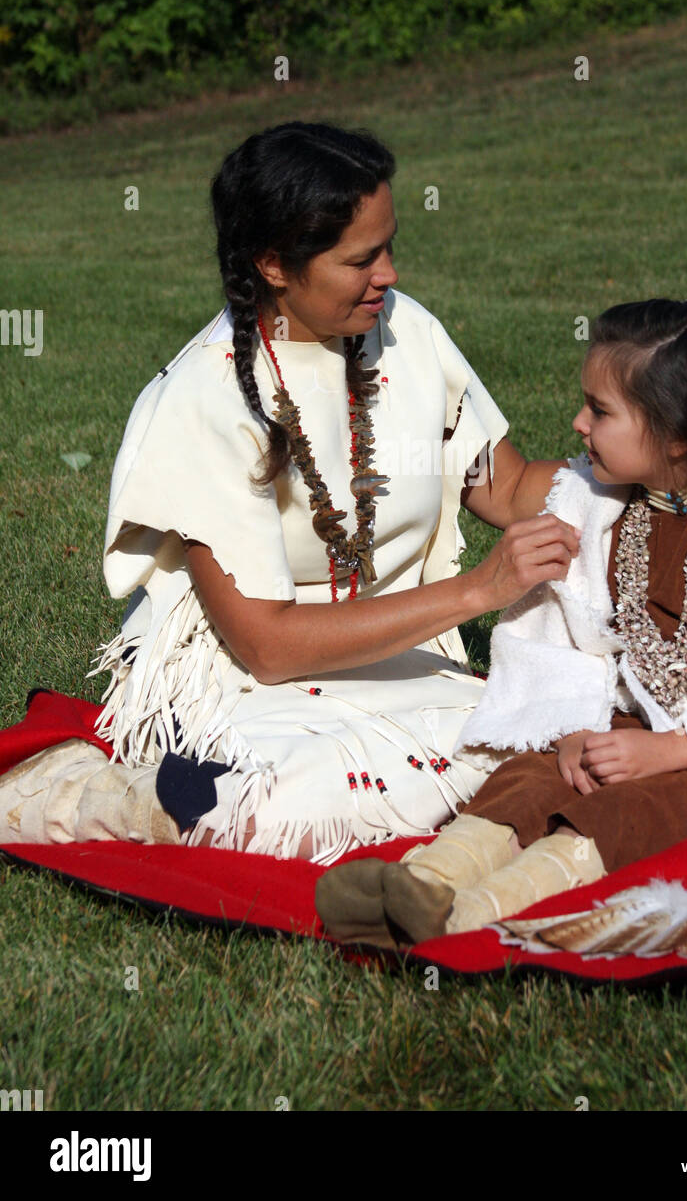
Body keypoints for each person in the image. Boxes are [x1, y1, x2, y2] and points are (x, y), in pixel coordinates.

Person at [0, 121, 580, 860]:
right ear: (274, 264)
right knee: (284, 816)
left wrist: (653, 467)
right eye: (361, 259)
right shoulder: (206, 397)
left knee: (556, 747)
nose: (391, 275)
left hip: (393, 653)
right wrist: (477, 592)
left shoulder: (407, 332)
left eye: (391, 246)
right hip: (240, 683)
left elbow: (512, 489)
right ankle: (86, 793)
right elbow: (267, 646)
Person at [316, 298, 687, 945]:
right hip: (614, 726)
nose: (577, 423)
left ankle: (464, 917)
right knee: (526, 778)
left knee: (628, 811)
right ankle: (427, 878)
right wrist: (569, 727)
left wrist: (671, 750)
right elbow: (552, 633)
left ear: (677, 434)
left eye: (599, 411)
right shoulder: (594, 505)